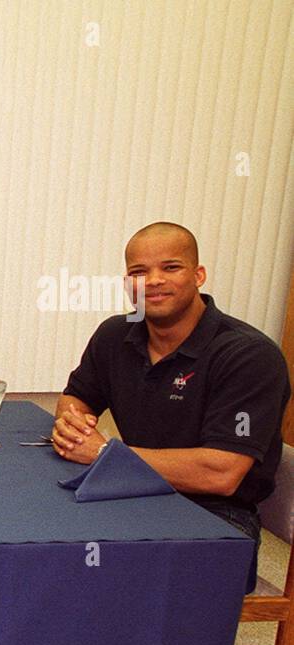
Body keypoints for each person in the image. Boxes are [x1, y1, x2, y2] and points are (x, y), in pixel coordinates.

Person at [54, 222, 290, 589]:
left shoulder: (248, 355)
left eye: (170, 267)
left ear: (199, 275)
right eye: (138, 272)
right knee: (47, 544)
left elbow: (222, 473)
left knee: (97, 576)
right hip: (130, 494)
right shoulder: (115, 334)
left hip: (216, 517)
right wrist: (74, 424)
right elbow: (78, 395)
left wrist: (104, 453)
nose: (153, 281)